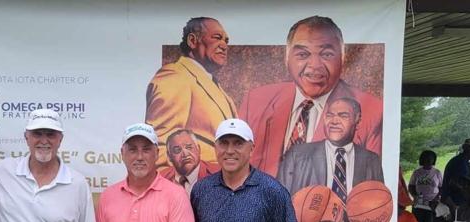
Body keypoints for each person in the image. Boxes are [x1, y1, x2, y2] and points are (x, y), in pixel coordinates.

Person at [241, 16, 383, 177]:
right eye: (302, 54)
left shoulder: (373, 112)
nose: (315, 65)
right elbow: (235, 166)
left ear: (343, 58)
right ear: (287, 58)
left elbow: (369, 190)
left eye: (327, 54)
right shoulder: (255, 101)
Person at [276, 96, 384, 222]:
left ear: (357, 119)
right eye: (329, 115)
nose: (334, 120)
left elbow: (379, 208)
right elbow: (278, 204)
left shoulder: (371, 160)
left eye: (342, 115)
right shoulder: (298, 154)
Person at [146, 17, 236, 169]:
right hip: (191, 187)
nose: (224, 45)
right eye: (217, 38)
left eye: (226, 41)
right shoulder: (176, 75)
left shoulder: (215, 86)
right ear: (193, 41)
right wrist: (174, 190)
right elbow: (160, 147)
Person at [159, 129, 218, 194]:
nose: (185, 154)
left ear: (198, 149)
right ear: (169, 156)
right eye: (177, 150)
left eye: (189, 147)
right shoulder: (161, 179)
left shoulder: (219, 173)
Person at [440, 138, 470, 211]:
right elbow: (454, 183)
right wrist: (469, 192)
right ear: (466, 148)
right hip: (453, 201)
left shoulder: (462, 161)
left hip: (452, 199)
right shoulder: (460, 163)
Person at [408, 150, 442, 222]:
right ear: (422, 160)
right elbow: (411, 186)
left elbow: (441, 188)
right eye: (426, 158)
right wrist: (415, 196)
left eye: (431, 158)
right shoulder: (417, 173)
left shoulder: (437, 173)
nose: (429, 160)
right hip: (419, 203)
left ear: (434, 160)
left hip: (431, 203)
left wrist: (436, 199)